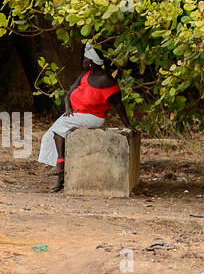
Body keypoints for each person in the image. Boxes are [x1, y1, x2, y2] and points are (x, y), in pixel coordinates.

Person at [38, 44, 134, 192]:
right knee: (50, 135)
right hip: (75, 114)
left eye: (84, 59)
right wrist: (68, 108)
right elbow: (69, 94)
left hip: (93, 117)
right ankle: (60, 176)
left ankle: (61, 165)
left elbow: (118, 104)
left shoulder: (106, 80)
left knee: (58, 130)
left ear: (90, 63)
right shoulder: (85, 75)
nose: (82, 62)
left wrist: (127, 124)